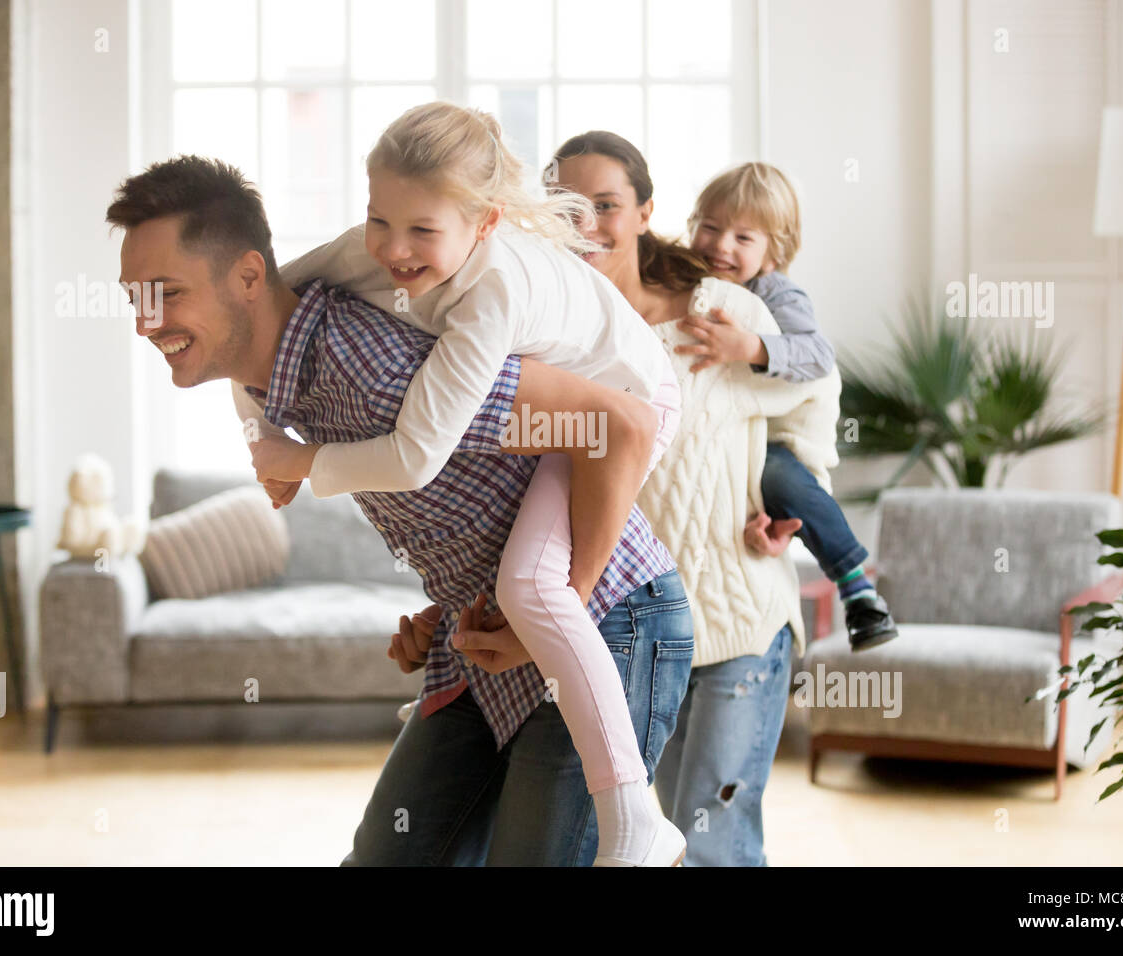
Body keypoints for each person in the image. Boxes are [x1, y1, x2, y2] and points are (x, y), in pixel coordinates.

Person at [108, 154, 693, 866]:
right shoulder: (280, 381)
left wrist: (566, 595)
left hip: (610, 623)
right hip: (482, 641)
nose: (144, 321)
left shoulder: (374, 367)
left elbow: (616, 427)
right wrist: (448, 607)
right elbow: (479, 492)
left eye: (166, 293)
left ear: (250, 277)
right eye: (134, 295)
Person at [264, 101, 685, 865]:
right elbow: (262, 314)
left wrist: (302, 464)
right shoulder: (376, 249)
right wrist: (261, 435)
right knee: (516, 579)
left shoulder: (493, 294)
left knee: (532, 586)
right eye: (377, 219)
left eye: (422, 230)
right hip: (565, 402)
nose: (392, 249)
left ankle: (634, 819)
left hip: (632, 405)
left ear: (486, 222)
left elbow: (416, 456)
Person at [545, 131, 839, 865]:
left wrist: (797, 498)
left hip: (740, 619)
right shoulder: (549, 333)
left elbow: (816, 393)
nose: (585, 224)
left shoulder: (723, 314)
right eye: (565, 207)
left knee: (714, 838)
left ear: (645, 212)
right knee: (648, 839)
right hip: (632, 632)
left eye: (604, 205)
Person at [682, 162, 898, 650]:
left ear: (773, 251)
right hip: (726, 430)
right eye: (710, 228)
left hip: (779, 433)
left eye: (743, 238)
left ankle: (857, 586)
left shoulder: (778, 292)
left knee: (777, 476)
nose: (721, 246)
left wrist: (751, 348)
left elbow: (818, 354)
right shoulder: (691, 278)